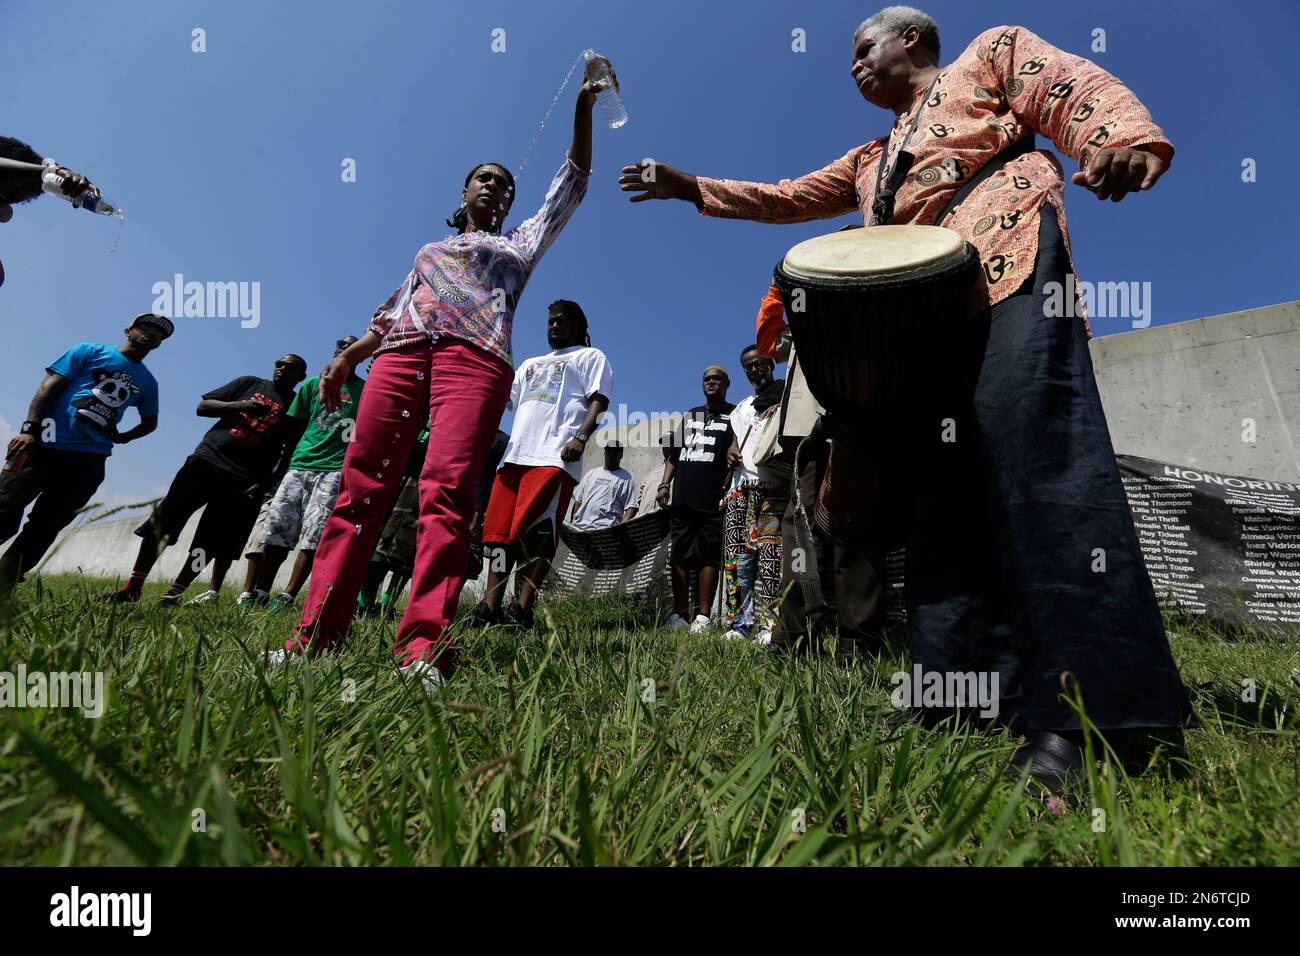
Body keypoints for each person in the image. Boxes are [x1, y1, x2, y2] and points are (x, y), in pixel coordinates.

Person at [620, 7, 1190, 791]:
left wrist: (1118, 142)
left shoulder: (989, 54)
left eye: (864, 49)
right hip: (919, 321)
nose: (853, 66)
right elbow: (788, 198)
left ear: (911, 41)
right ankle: (959, 693)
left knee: (1039, 465)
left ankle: (1096, 718)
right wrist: (694, 188)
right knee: (942, 501)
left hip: (1010, 259)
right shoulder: (870, 157)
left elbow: (1069, 86)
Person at [276, 58, 614, 694]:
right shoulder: (427, 251)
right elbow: (394, 309)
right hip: (401, 355)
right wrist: (350, 357)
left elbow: (571, 184)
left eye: (504, 185)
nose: (495, 188)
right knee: (361, 488)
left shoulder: (520, 245)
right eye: (483, 180)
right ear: (463, 194)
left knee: (449, 491)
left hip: (476, 361)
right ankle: (313, 637)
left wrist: (584, 106)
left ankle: (423, 647)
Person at [107, 355, 308, 604]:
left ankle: (173, 593)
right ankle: (133, 586)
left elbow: (289, 451)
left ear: (301, 377)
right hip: (205, 463)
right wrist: (239, 406)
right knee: (163, 524)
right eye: (279, 363)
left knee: (209, 542)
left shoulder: (296, 407)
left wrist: (267, 483)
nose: (282, 368)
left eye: (291, 367)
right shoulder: (249, 383)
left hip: (244, 482)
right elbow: (203, 408)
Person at [0, 314, 169, 589]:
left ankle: (5, 582)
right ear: (128, 330)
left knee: (45, 526)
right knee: (4, 508)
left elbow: (150, 422)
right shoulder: (89, 351)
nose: (152, 333)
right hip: (45, 442)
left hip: (89, 461)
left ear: (160, 343)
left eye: (159, 333)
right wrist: (29, 429)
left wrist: (124, 437)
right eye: (145, 326)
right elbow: (48, 386)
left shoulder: (148, 382)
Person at [474, 299, 612, 630]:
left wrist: (580, 437)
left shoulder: (590, 357)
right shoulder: (530, 364)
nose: (554, 326)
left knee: (537, 535)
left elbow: (599, 400)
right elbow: (505, 400)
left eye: (562, 321)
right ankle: (490, 605)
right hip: (514, 458)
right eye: (550, 321)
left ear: (578, 326)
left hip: (554, 457)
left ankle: (522, 608)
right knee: (497, 536)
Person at [247, 336, 365, 611]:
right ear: (334, 352)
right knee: (277, 529)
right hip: (300, 465)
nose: (345, 349)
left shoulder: (365, 391)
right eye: (340, 346)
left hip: (334, 469)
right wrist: (280, 468)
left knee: (315, 534)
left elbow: (362, 434)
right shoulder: (314, 384)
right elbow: (295, 427)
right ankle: (261, 592)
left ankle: (287, 595)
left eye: (352, 346)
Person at [656, 366, 734, 634]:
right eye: (707, 379)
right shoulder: (691, 415)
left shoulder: (735, 415)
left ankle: (703, 617)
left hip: (714, 497)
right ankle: (680, 615)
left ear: (727, 384)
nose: (711, 383)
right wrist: (665, 484)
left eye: (717, 379)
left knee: (708, 556)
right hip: (683, 497)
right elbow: (674, 455)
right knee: (679, 554)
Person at [721, 345, 786, 643]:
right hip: (739, 490)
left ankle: (769, 624)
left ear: (771, 364)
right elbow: (735, 442)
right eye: (747, 366)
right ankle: (738, 624)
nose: (754, 370)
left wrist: (781, 410)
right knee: (739, 557)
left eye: (759, 364)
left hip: (773, 485)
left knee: (770, 555)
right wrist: (731, 453)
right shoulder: (742, 406)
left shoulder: (787, 394)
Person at [568, 442, 637, 531]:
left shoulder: (627, 478)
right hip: (580, 529)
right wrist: (572, 524)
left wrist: (620, 530)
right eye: (609, 451)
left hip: (606, 533)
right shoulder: (591, 473)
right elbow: (578, 501)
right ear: (605, 453)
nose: (611, 455)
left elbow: (632, 507)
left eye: (615, 452)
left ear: (621, 455)